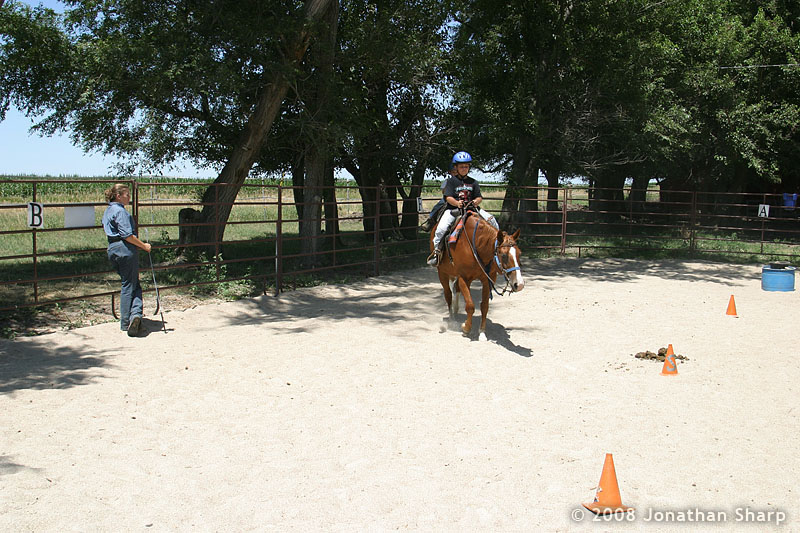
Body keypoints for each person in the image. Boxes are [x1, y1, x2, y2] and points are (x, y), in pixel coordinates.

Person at [426, 151, 499, 266]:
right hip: (453, 210)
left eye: (466, 166)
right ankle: (437, 253)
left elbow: (479, 197)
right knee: (440, 229)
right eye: (461, 166)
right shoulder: (451, 182)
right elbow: (448, 197)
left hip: (472, 209)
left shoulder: (473, 182)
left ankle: (497, 249)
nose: (464, 169)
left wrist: (476, 201)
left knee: (492, 220)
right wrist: (456, 203)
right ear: (456, 167)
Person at [102, 184, 151, 336]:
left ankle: (136, 315)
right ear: (118, 196)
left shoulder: (108, 211)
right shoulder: (120, 212)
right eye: (127, 195)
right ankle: (127, 321)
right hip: (124, 249)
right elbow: (127, 235)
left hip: (113, 248)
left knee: (132, 283)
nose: (129, 197)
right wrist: (144, 246)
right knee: (129, 285)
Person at [419, 164, 457, 232]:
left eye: (456, 172)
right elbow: (443, 191)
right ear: (450, 172)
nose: (455, 174)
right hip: (448, 199)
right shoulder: (447, 181)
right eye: (453, 172)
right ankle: (429, 221)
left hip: (460, 199)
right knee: (437, 206)